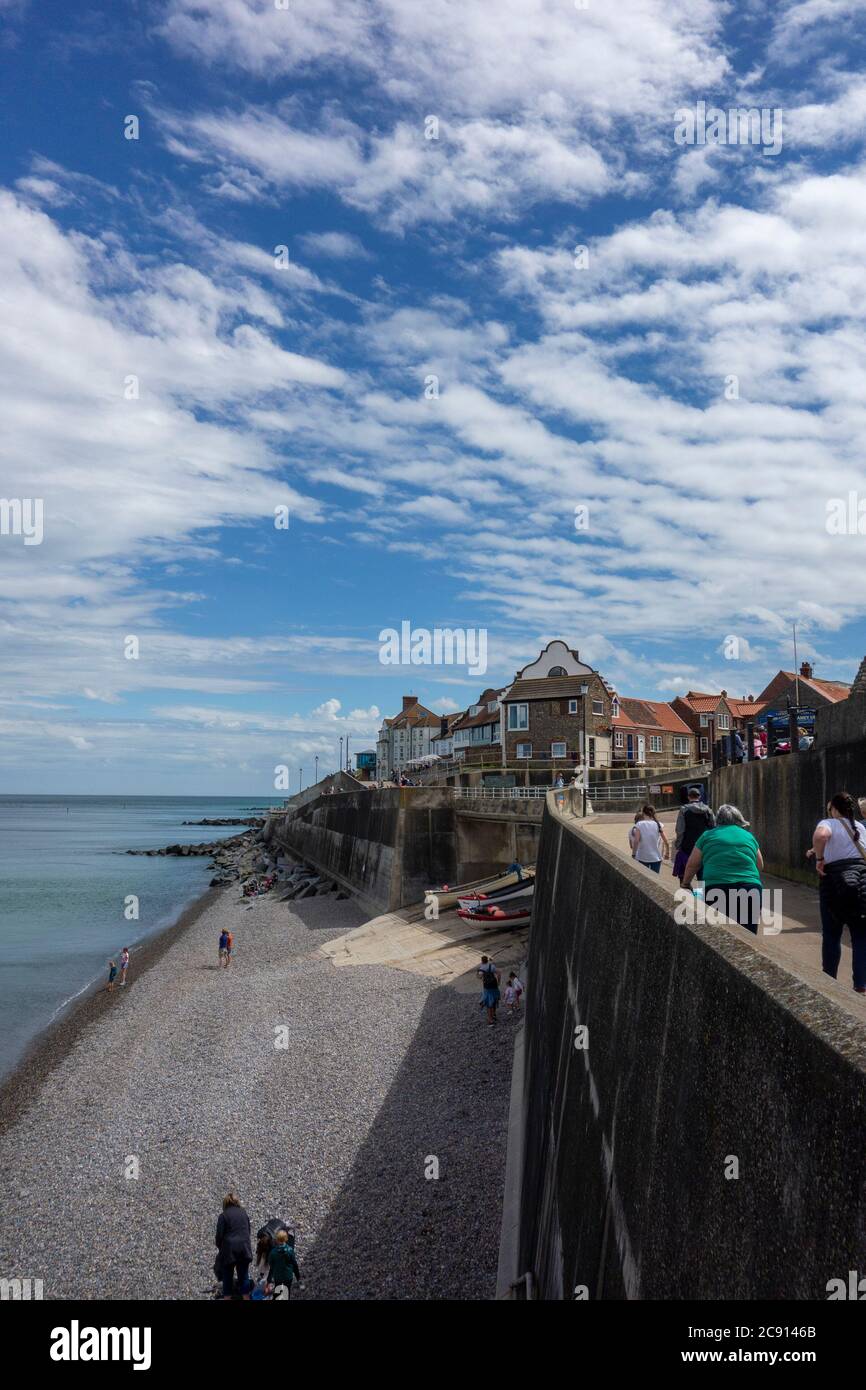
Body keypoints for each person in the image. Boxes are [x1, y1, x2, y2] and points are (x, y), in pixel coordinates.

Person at [809, 792, 866, 994]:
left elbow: (821, 836)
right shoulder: (859, 827)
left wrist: (819, 859)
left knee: (832, 934)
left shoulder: (828, 823)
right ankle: (861, 984)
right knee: (860, 935)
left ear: (833, 808)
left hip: (834, 882)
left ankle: (829, 981)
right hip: (861, 882)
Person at [681, 804, 764, 931]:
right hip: (750, 888)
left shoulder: (707, 836)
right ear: (739, 819)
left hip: (717, 888)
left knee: (720, 932)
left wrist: (686, 883)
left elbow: (693, 864)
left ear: (717, 820)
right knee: (747, 935)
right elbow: (760, 865)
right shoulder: (748, 836)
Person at [215, 1192, 253, 1300]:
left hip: (229, 1249)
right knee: (244, 1276)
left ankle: (227, 1297)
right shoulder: (244, 1213)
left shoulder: (223, 1215)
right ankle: (246, 1298)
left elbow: (219, 1235)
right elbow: (248, 1231)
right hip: (244, 1248)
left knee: (227, 1277)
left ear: (225, 1203)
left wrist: (220, 1248)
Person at [673, 788, 715, 884]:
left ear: (688, 797)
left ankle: (686, 893)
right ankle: (699, 894)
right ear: (699, 797)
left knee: (684, 876)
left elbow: (680, 830)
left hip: (687, 847)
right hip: (703, 847)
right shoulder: (708, 810)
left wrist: (678, 845)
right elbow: (713, 828)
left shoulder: (684, 810)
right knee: (701, 878)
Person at [629, 805, 669, 873]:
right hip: (656, 857)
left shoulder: (639, 824)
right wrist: (667, 852)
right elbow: (666, 841)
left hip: (643, 856)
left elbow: (636, 841)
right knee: (655, 877)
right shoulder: (658, 824)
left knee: (643, 875)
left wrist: (633, 854)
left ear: (643, 813)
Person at [266, 1229, 301, 1299]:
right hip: (288, 1276)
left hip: (278, 1276)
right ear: (286, 1239)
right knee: (287, 1292)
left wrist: (269, 1279)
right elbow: (294, 1264)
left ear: (276, 1240)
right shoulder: (290, 1250)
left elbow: (271, 1264)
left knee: (277, 1290)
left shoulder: (273, 1252)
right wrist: (298, 1276)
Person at [478, 955, 501, 1026]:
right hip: (494, 986)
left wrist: (482, 978)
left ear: (482, 961)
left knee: (488, 1004)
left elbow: (479, 977)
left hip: (487, 988)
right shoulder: (492, 966)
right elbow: (499, 973)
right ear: (487, 960)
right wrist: (498, 982)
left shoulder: (481, 968)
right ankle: (494, 1014)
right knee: (494, 1000)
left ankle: (490, 1020)